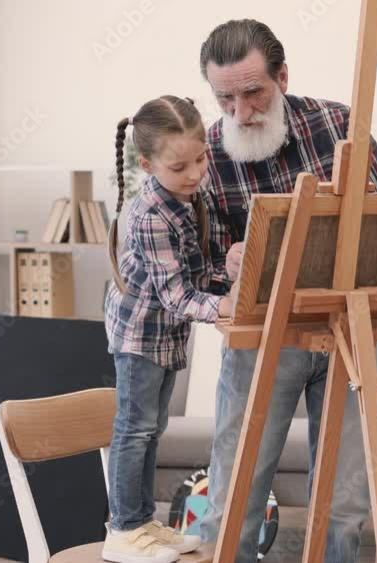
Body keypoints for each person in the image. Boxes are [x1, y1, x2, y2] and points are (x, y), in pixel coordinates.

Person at [196, 20, 377, 563]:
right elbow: (200, 266)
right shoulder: (207, 152)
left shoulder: (338, 125)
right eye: (225, 98)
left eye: (254, 91)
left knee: (347, 502)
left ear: (283, 76)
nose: (241, 111)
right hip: (264, 340)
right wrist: (227, 263)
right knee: (233, 492)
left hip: (350, 330)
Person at [103, 95, 235, 563]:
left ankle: (143, 523)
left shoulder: (185, 197)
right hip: (140, 336)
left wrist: (228, 268)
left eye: (201, 159)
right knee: (134, 430)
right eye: (181, 166)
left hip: (166, 334)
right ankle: (122, 529)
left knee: (152, 428)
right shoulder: (151, 215)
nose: (197, 173)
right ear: (148, 163)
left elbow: (197, 270)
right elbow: (176, 295)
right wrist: (224, 306)